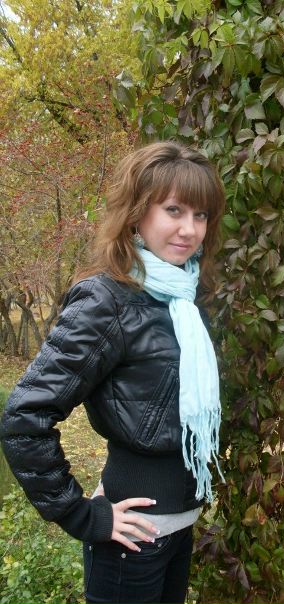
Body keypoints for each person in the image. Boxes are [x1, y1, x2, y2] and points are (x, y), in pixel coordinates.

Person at [0, 141, 226, 604]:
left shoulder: (183, 297)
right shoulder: (107, 301)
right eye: (174, 210)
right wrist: (82, 515)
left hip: (178, 531)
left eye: (200, 215)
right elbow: (25, 417)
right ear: (137, 212)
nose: (189, 229)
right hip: (131, 547)